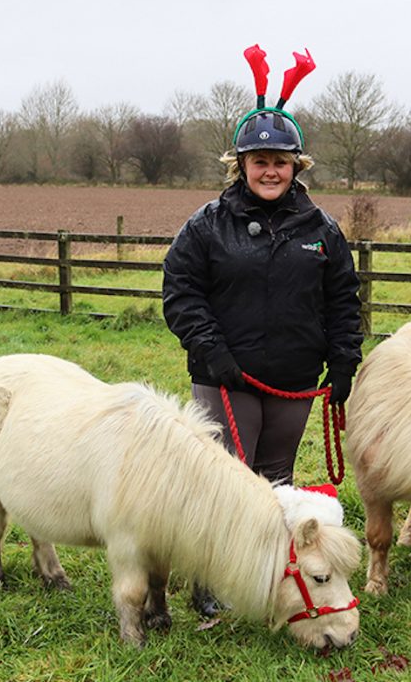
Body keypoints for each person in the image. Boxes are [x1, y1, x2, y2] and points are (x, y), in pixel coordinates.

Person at [162, 45, 363, 616]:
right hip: (227, 377)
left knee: (276, 482)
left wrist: (344, 359)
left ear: (297, 166)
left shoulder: (321, 229)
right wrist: (210, 349)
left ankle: (267, 574)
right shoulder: (206, 226)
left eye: (281, 160)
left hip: (295, 379)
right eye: (259, 161)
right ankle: (208, 581)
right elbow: (181, 291)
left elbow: (342, 298)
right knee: (227, 484)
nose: (270, 170)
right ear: (241, 166)